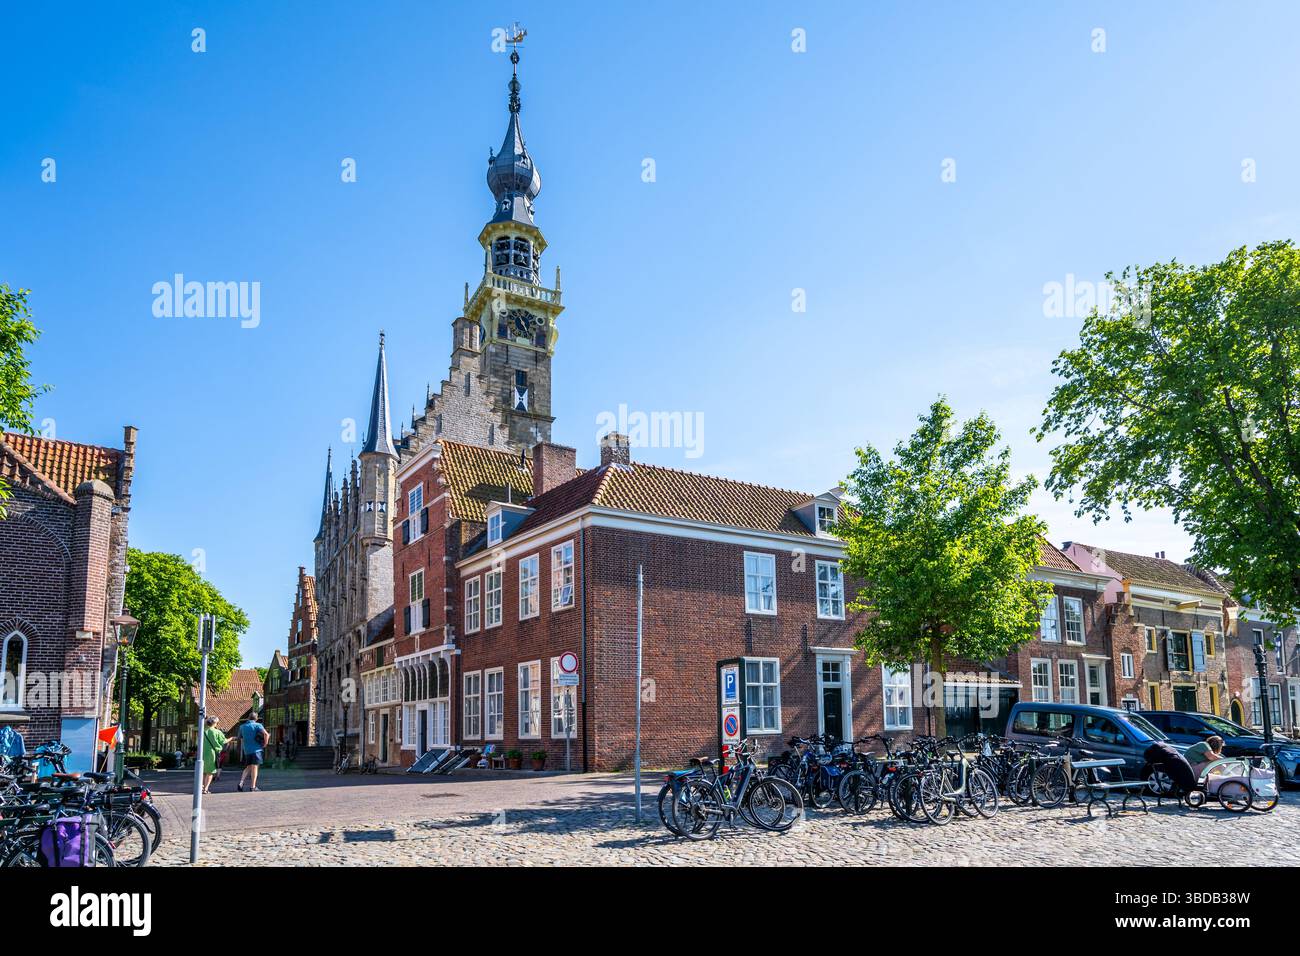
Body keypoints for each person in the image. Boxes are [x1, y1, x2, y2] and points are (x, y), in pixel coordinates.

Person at [236, 712, 269, 792]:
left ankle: (241, 783)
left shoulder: (242, 726)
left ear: (248, 718)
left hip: (247, 750)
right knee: (255, 768)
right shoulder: (258, 725)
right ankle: (253, 787)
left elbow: (239, 737)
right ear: (256, 718)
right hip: (256, 750)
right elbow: (266, 734)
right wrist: (265, 743)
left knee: (248, 767)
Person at [201, 716, 226, 794]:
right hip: (212, 754)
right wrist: (231, 738)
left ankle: (201, 787)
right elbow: (224, 741)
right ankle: (205, 789)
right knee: (210, 772)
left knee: (203, 772)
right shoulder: (217, 732)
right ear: (215, 723)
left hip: (201, 753)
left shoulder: (203, 730)